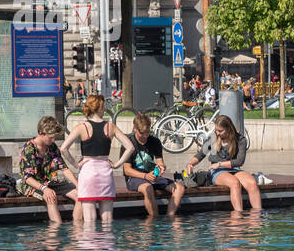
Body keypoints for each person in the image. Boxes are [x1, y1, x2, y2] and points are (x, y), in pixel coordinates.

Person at [59, 95, 133, 225]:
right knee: (107, 220)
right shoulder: (111, 127)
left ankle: (90, 244)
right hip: (105, 170)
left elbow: (64, 148)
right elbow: (130, 147)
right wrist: (117, 164)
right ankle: (108, 244)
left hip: (88, 171)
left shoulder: (82, 127)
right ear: (100, 108)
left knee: (89, 221)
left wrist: (76, 164)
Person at [186, 115, 261, 212]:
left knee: (252, 183)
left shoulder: (240, 140)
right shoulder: (212, 139)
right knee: (235, 183)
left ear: (229, 129)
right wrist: (190, 164)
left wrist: (219, 164)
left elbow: (239, 161)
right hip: (217, 171)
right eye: (216, 130)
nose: (217, 133)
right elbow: (200, 155)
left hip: (233, 169)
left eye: (220, 131)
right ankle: (238, 215)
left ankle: (258, 217)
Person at [19, 116, 83, 223]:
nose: (53, 140)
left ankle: (77, 230)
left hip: (49, 183)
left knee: (80, 195)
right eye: (51, 137)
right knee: (51, 197)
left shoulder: (52, 147)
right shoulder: (28, 149)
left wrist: (78, 185)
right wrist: (44, 188)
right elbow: (27, 178)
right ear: (41, 133)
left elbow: (65, 169)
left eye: (55, 137)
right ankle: (55, 232)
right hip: (32, 184)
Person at [124, 113, 186, 217]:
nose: (145, 136)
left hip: (152, 176)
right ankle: (154, 221)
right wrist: (145, 176)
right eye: (142, 133)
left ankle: (170, 218)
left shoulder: (155, 141)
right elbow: (127, 170)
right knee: (148, 188)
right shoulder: (128, 143)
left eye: (148, 133)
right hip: (135, 177)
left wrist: (161, 167)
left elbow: (160, 162)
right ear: (135, 129)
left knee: (179, 188)